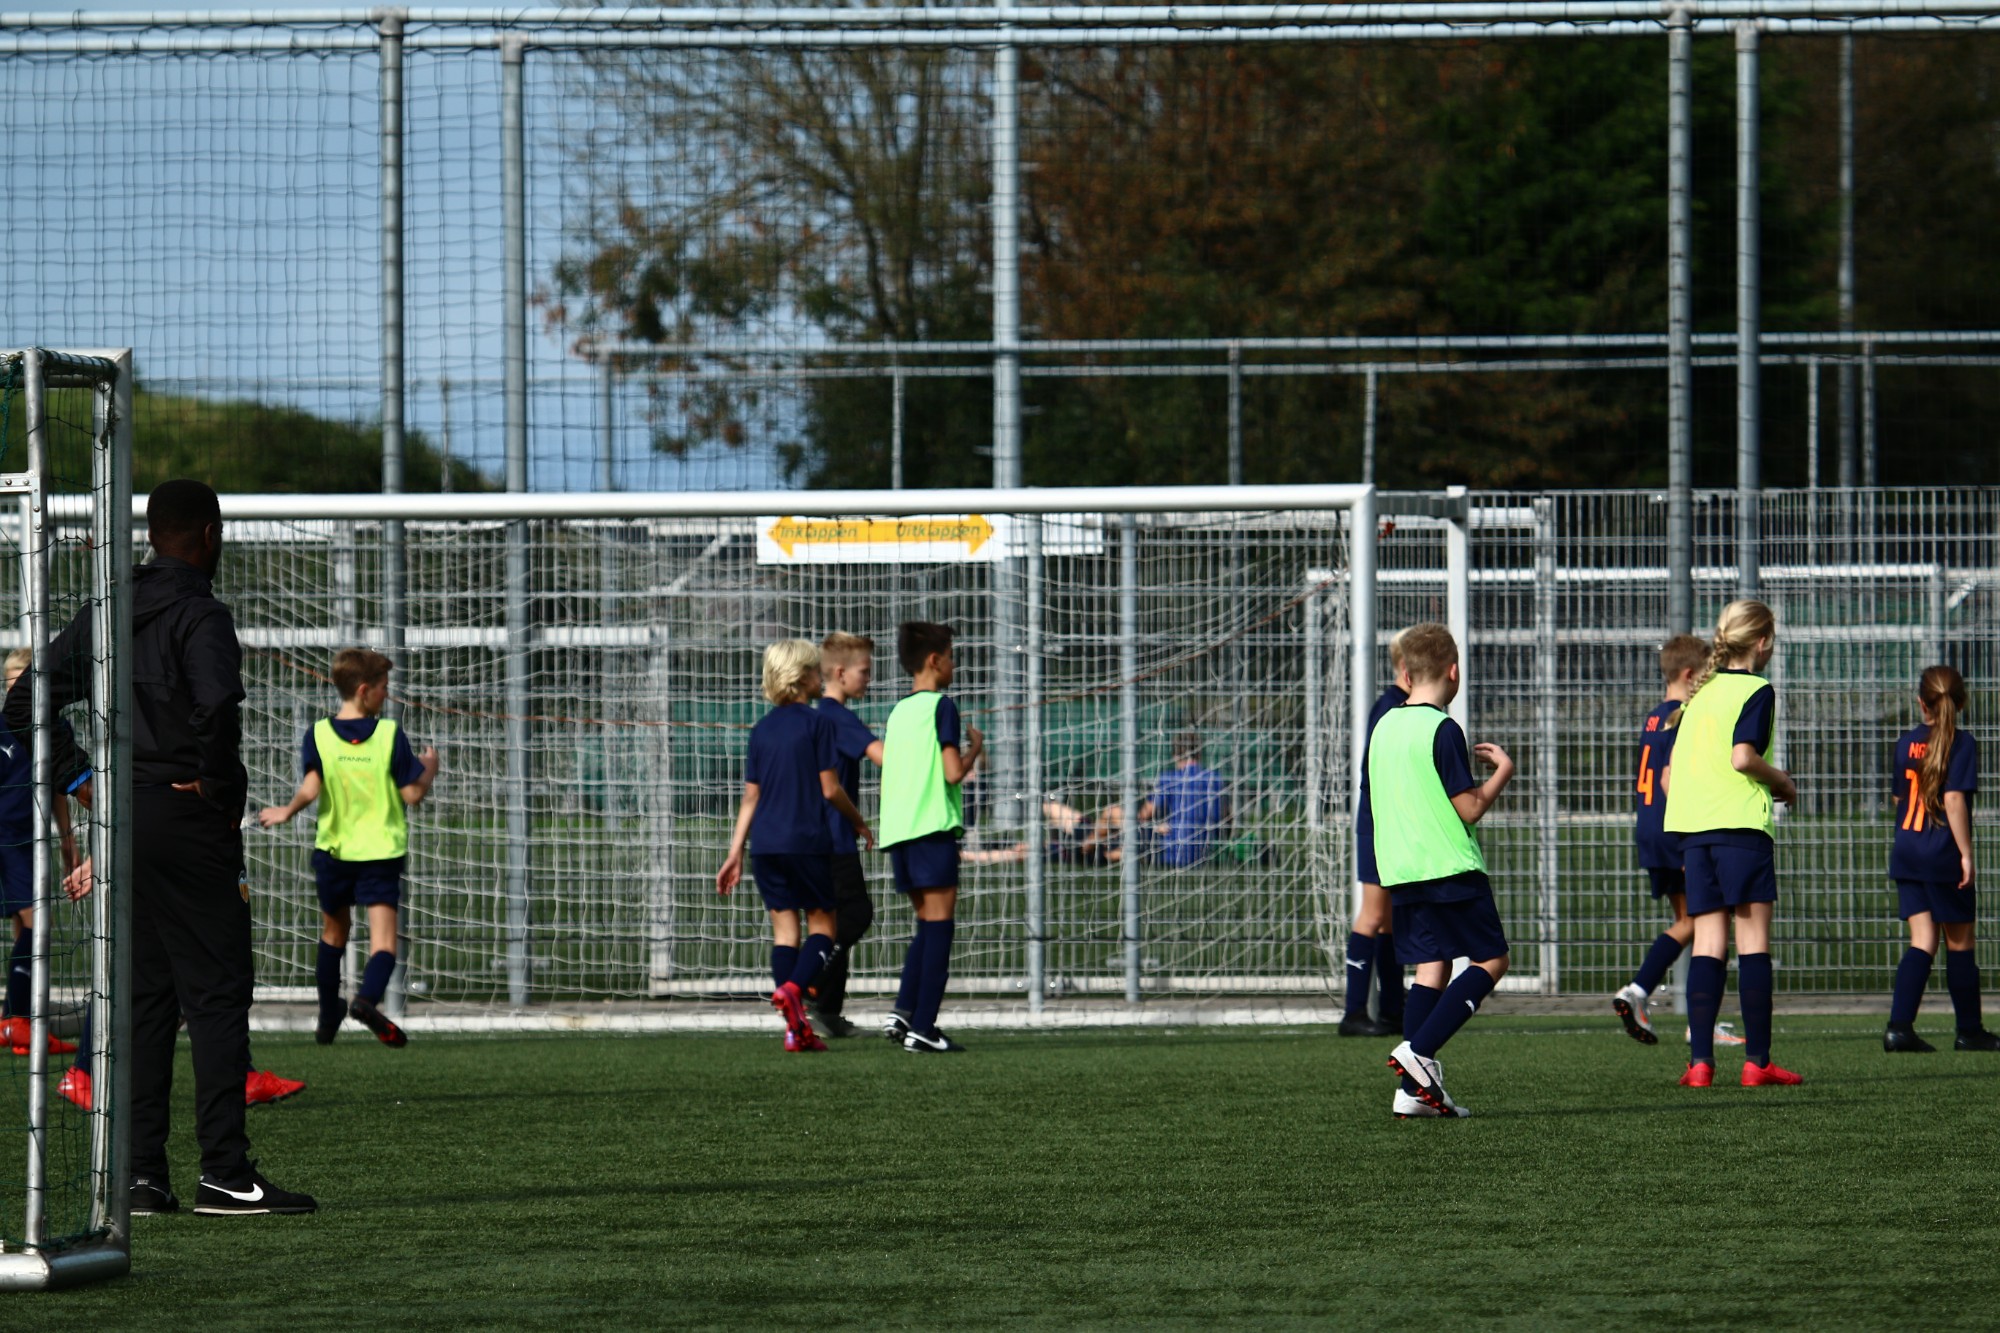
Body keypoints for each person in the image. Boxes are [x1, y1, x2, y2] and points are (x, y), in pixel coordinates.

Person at [5, 479, 315, 1215]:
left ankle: (141, 1175)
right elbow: (216, 708)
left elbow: (21, 705)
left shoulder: (108, 609)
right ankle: (226, 1172)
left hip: (123, 820)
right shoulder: (201, 613)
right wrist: (215, 786)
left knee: (144, 998)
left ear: (153, 534)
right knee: (214, 991)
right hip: (185, 819)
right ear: (208, 534)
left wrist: (84, 778)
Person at [259, 647, 439, 1047]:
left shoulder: (318, 734)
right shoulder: (390, 735)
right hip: (379, 853)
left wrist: (287, 811)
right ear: (363, 691)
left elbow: (310, 788)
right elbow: (411, 794)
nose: (386, 695)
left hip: (334, 853)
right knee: (384, 943)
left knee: (333, 935)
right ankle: (366, 1001)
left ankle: (328, 1015)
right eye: (382, 688)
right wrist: (429, 770)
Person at [1374, 623, 1513, 1119]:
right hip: (1448, 865)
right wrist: (1503, 771)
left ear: (1406, 674)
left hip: (1400, 869)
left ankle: (1411, 1094)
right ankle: (1417, 1052)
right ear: (1454, 672)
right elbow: (1469, 808)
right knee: (1491, 960)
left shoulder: (1384, 726)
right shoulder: (1443, 728)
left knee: (1431, 966)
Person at [1661, 598, 1801, 1089]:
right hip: (1740, 827)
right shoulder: (1757, 690)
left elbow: (1672, 773)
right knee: (1753, 942)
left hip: (1695, 832)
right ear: (1762, 643)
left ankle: (1700, 1063)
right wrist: (1782, 782)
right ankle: (1757, 1061)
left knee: (1708, 944)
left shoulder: (1699, 693)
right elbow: (1743, 758)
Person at [717, 640, 871, 1052]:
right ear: (804, 677)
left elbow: (750, 798)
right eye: (816, 671)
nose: (821, 677)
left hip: (764, 847)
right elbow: (829, 787)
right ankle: (793, 991)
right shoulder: (817, 723)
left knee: (785, 933)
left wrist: (734, 853)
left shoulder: (761, 729)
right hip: (806, 842)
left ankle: (795, 1028)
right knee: (825, 927)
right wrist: (858, 821)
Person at [1883, 665, 1999, 1053]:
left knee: (1922, 941)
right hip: (1940, 854)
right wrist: (1966, 854)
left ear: (1921, 702)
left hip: (1907, 850)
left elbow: (1900, 799)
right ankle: (1969, 1031)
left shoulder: (1905, 743)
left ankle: (1899, 1028)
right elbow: (1953, 800)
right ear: (1962, 703)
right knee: (1961, 942)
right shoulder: (1961, 743)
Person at [879, 621, 982, 1054]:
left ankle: (904, 1012)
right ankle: (925, 1026)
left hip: (899, 833)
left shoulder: (898, 710)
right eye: (952, 655)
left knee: (926, 925)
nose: (955, 664)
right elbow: (952, 772)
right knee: (940, 928)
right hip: (931, 829)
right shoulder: (943, 706)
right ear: (935, 661)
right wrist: (975, 747)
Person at [1611, 634, 1708, 1044]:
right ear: (1689, 674)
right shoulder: (1686, 716)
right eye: (1707, 673)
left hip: (1650, 829)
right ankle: (1646, 995)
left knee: (1691, 922)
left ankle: (1652, 998)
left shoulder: (1654, 716)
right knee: (1706, 922)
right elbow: (1671, 779)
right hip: (1676, 829)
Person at [0, 647, 80, 1056]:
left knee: (26, 929)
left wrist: (69, 843)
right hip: (7, 838)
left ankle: (25, 1025)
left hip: (29, 840)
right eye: (10, 682)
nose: (16, 689)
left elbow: (61, 788)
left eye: (23, 681)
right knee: (37, 927)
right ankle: (15, 1019)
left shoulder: (55, 728)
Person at [811, 631, 885, 1038]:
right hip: (833, 838)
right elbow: (883, 757)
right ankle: (809, 986)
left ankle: (827, 1012)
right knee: (856, 915)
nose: (868, 679)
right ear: (840, 673)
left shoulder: (818, 715)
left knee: (833, 921)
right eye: (864, 672)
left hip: (818, 835)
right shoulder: (838, 717)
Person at [1341, 633, 1411, 1039]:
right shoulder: (1389, 708)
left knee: (1389, 921)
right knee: (1372, 915)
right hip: (1379, 823)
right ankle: (1353, 1013)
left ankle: (1391, 1009)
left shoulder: (1401, 706)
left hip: (1391, 823)